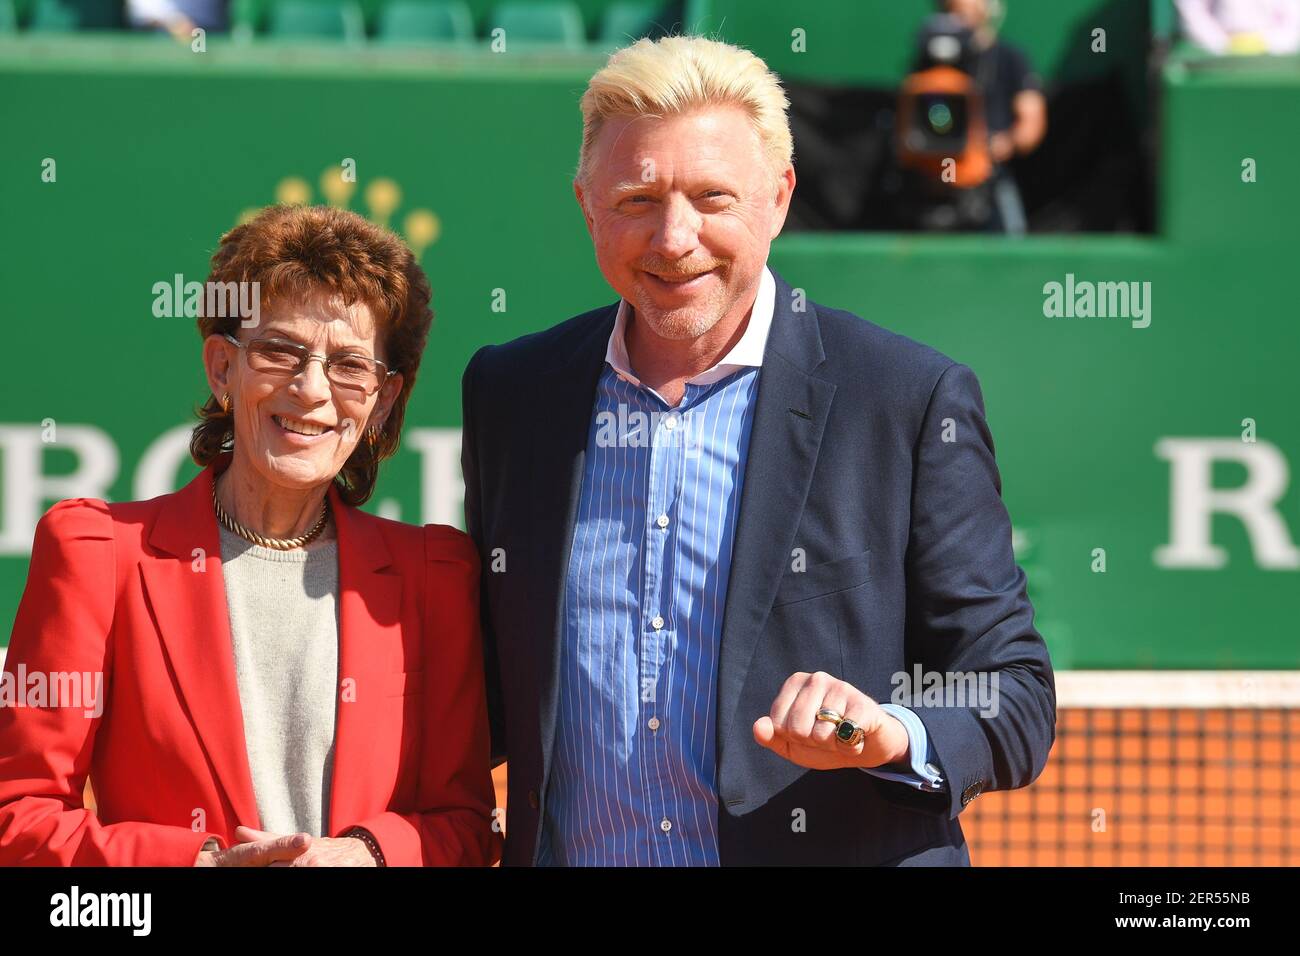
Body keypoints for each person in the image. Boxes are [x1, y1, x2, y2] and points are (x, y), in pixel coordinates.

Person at [460, 35, 1056, 866]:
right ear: (587, 204)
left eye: (713, 197)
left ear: (777, 200)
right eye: (637, 198)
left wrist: (892, 732)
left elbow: (1013, 694)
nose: (675, 238)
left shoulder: (907, 398)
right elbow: (481, 685)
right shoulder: (511, 393)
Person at [0, 205, 501, 867]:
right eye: (280, 351)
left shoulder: (435, 574)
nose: (311, 390)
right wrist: (197, 865)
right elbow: (19, 822)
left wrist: (370, 854)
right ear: (221, 369)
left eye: (350, 365)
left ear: (382, 400)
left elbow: (465, 826)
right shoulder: (96, 556)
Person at [939, 0, 1047, 233]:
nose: (955, 20)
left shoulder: (1011, 57)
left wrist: (1002, 144)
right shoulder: (933, 62)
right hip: (937, 184)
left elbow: (1031, 124)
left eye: (961, 12)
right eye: (949, 12)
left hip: (991, 181)